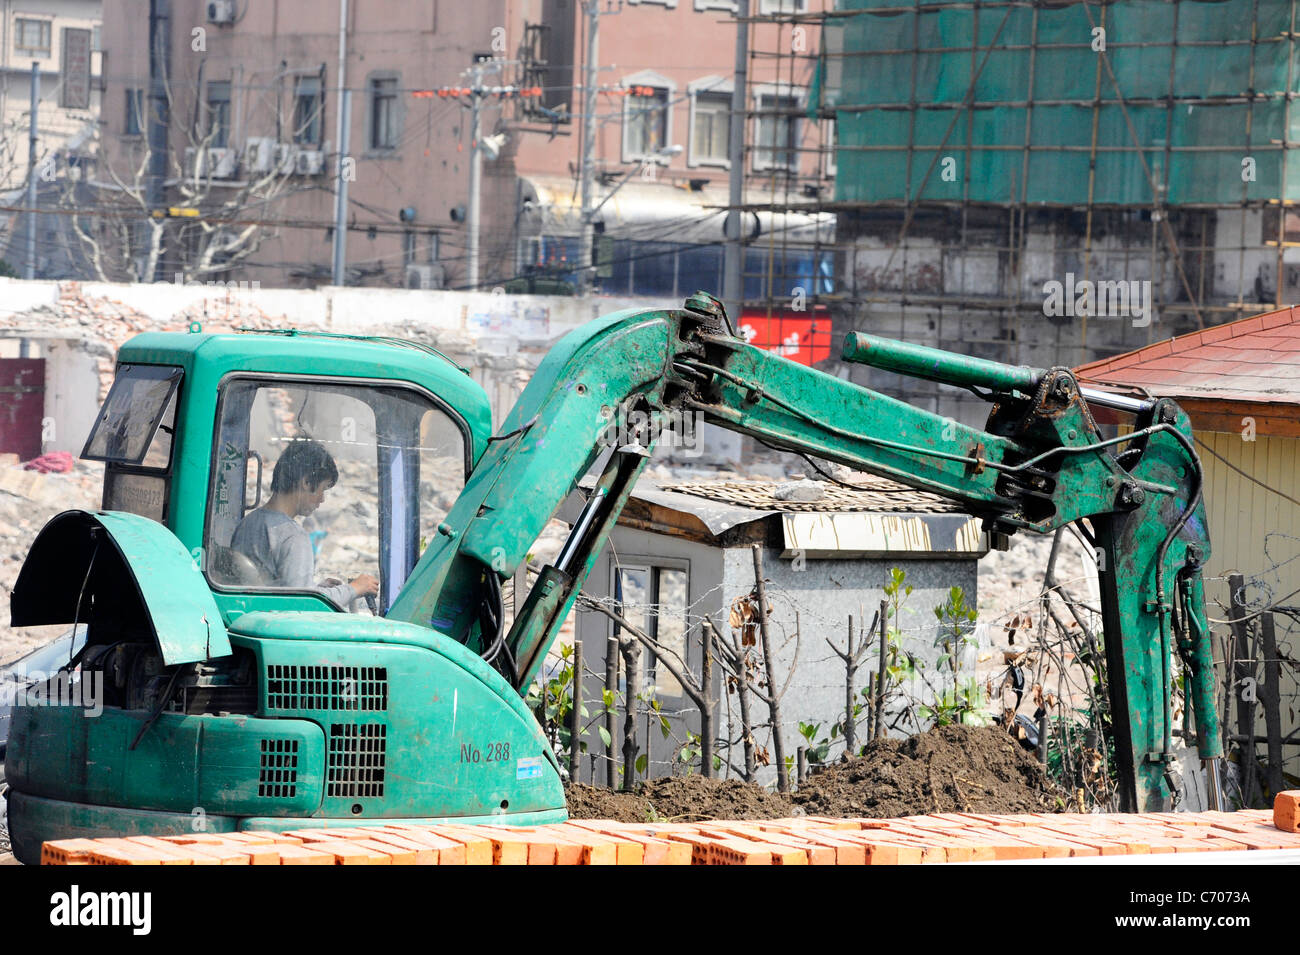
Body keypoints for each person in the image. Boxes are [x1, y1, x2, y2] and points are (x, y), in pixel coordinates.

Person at [231, 438, 378, 609]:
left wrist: (316, 591)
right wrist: (354, 589)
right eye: (323, 489)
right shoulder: (294, 537)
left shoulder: (247, 523)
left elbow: (276, 589)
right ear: (306, 482)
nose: (322, 499)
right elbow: (301, 605)